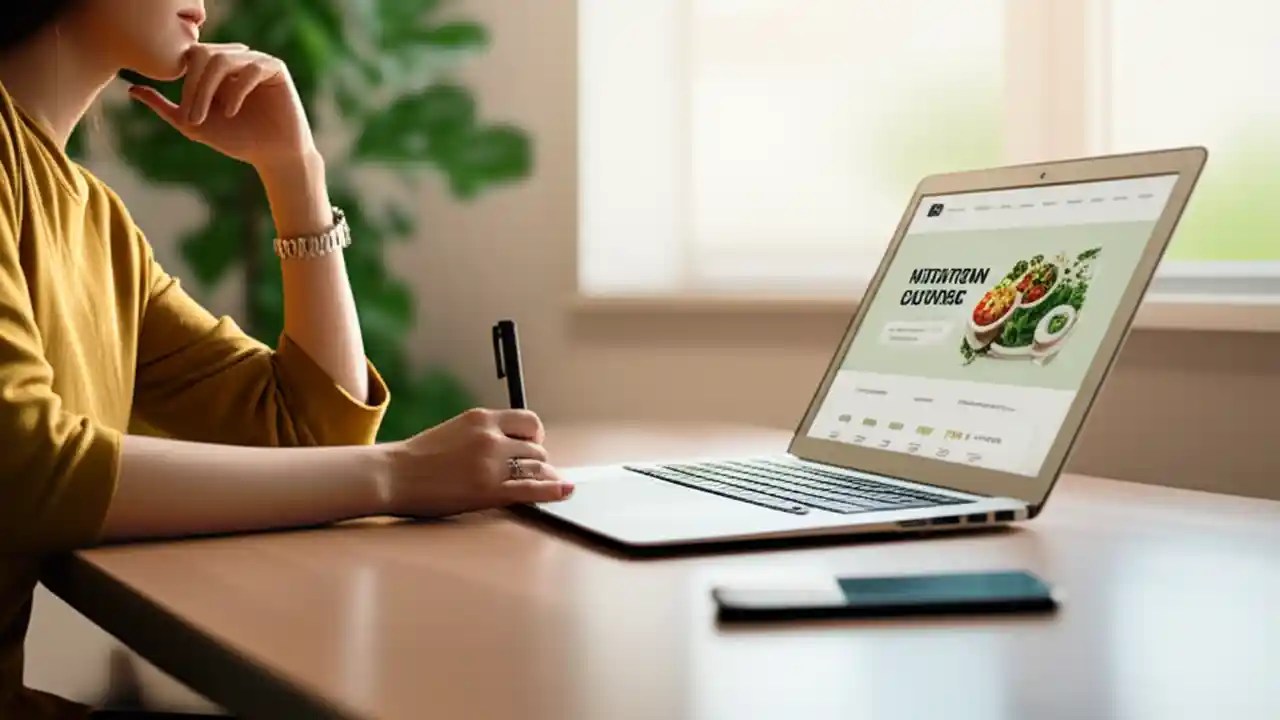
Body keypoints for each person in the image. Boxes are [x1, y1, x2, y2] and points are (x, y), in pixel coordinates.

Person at [0, 1, 575, 716]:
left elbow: (308, 428)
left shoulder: (95, 221)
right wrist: (400, 474)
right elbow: (25, 466)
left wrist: (295, 174)